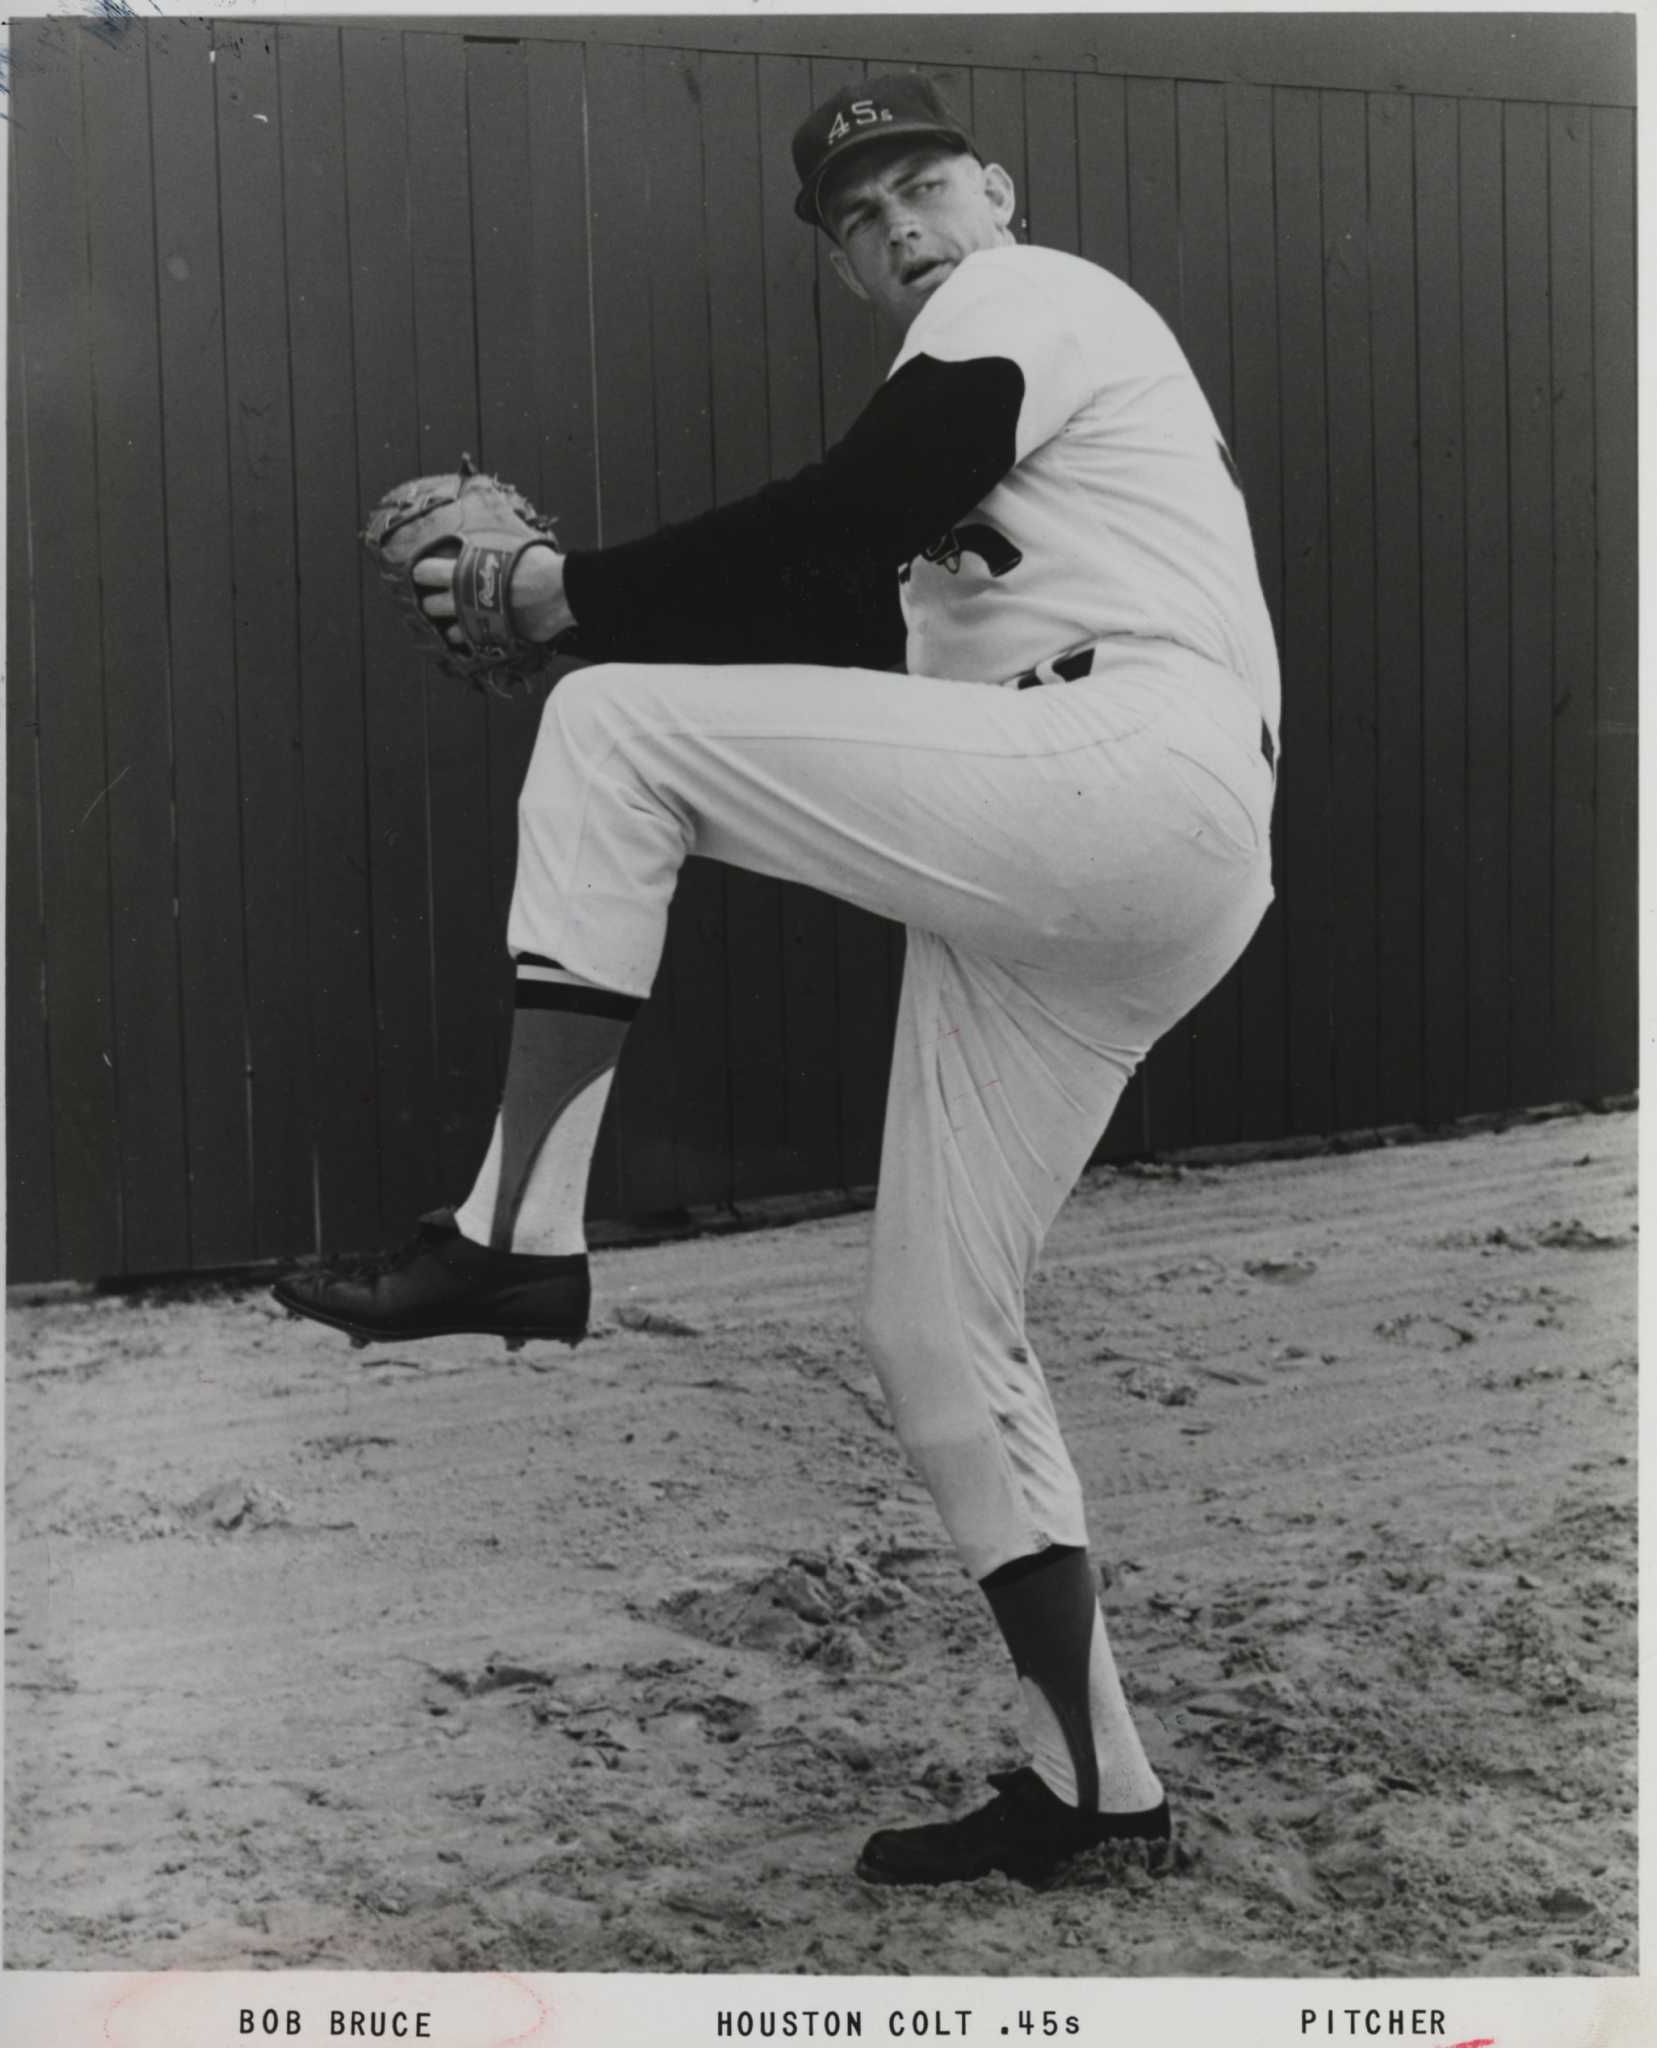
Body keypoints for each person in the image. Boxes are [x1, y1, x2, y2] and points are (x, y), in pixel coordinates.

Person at [275, 73, 1280, 1889]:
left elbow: (847, 507)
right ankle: (1098, 1791)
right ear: (836, 261)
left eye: (921, 187)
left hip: (1123, 761)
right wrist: (575, 600)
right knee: (934, 1337)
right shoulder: (994, 481)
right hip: (1110, 861)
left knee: (608, 726)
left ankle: (517, 1229)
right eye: (855, 216)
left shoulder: (1030, 297)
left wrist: (552, 601)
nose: (897, 227)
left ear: (998, 190)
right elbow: (824, 611)